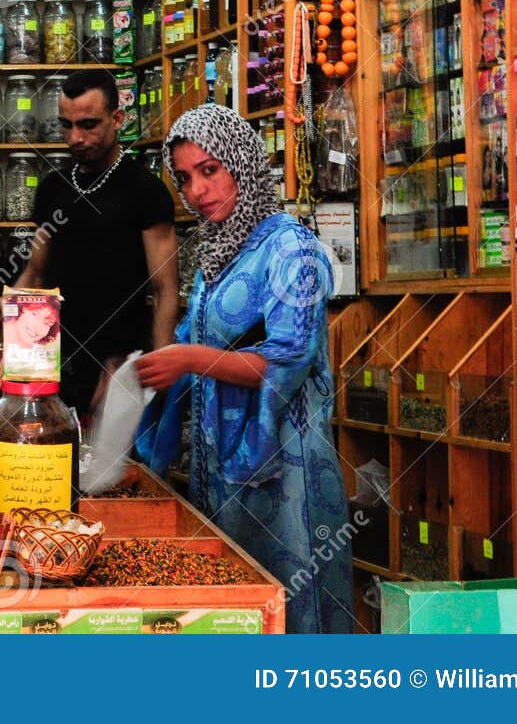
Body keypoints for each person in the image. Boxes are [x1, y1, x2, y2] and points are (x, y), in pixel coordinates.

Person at [133, 103, 353, 634]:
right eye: (185, 179)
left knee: (293, 605)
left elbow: (288, 357)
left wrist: (187, 359)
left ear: (245, 165)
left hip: (285, 469)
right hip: (222, 468)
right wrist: (151, 372)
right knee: (237, 614)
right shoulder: (217, 256)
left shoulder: (291, 248)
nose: (198, 191)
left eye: (210, 170)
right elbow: (195, 339)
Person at [0, 68, 178, 415]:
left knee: (114, 466)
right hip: (51, 357)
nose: (75, 137)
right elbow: (35, 274)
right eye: (67, 125)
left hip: (119, 360)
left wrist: (157, 372)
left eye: (89, 124)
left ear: (117, 118)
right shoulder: (54, 188)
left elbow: (165, 288)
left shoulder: (144, 189)